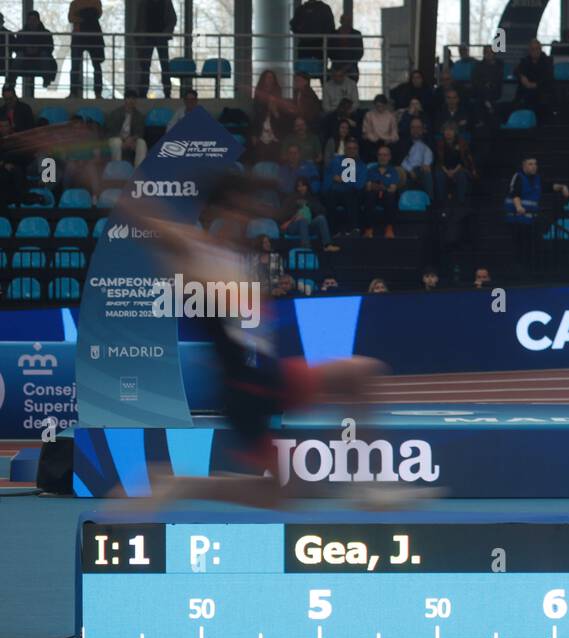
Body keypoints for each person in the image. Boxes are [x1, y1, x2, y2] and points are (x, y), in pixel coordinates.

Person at [124, 172, 387, 508]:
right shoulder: (191, 250)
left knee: (278, 492)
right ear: (216, 211)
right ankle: (366, 487)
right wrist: (88, 169)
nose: (247, 217)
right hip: (248, 384)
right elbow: (143, 217)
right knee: (357, 377)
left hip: (261, 377)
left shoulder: (233, 254)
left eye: (249, 210)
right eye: (239, 209)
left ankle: (185, 485)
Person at [280, 176, 338, 252]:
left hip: (308, 226)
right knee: (303, 220)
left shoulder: (311, 198)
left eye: (303, 186)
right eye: (299, 186)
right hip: (292, 226)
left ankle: (327, 245)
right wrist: (295, 216)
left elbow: (322, 211)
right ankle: (306, 248)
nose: (301, 188)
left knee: (321, 218)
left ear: (307, 186)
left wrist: (309, 204)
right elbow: (283, 215)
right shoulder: (291, 198)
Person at [133, 0, 175, 97]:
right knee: (146, 66)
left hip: (159, 37)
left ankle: (167, 92)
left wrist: (165, 33)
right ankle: (143, 93)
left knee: (163, 66)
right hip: (148, 38)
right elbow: (139, 21)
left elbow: (172, 18)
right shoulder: (144, 3)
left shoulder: (165, 2)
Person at [322, 137, 364, 235]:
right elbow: (328, 179)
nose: (351, 150)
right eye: (349, 148)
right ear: (345, 150)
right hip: (334, 193)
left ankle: (353, 229)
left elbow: (359, 185)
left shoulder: (361, 165)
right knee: (329, 195)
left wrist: (343, 180)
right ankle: (332, 232)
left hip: (352, 194)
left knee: (352, 195)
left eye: (354, 148)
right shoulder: (335, 162)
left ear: (357, 150)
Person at [68, 0, 104, 98]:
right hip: (81, 36)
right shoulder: (76, 3)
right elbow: (71, 18)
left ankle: (98, 93)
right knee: (75, 66)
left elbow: (98, 14)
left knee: (96, 66)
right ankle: (73, 93)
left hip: (93, 37)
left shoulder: (95, 1)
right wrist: (87, 17)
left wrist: (81, 17)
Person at [433, 121, 476, 204]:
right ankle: (440, 202)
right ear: (443, 132)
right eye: (446, 130)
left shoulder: (462, 142)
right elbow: (438, 160)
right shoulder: (439, 143)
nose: (448, 132)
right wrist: (447, 171)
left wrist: (454, 171)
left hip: (459, 168)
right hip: (443, 168)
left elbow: (464, 160)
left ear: (455, 132)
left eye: (451, 130)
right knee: (439, 175)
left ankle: (461, 202)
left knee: (462, 176)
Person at [13, 12, 56, 91]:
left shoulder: (46, 33)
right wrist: (26, 49)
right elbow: (16, 48)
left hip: (40, 58)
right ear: (27, 21)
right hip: (25, 58)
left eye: (34, 19)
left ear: (38, 20)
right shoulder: (21, 33)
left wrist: (38, 50)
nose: (32, 22)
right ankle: (12, 81)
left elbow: (50, 48)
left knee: (45, 57)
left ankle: (46, 79)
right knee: (19, 56)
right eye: (30, 20)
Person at [363, 143, 399, 237]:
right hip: (373, 196)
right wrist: (382, 186)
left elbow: (393, 188)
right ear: (377, 156)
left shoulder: (393, 171)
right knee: (369, 195)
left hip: (386, 197)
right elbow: (368, 186)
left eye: (385, 155)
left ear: (389, 157)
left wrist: (377, 186)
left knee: (390, 196)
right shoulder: (371, 170)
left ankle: (389, 228)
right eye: (380, 155)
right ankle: (368, 229)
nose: (382, 157)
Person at [107, 90, 147, 167]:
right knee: (116, 142)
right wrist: (124, 140)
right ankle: (117, 168)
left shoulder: (139, 115)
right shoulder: (115, 113)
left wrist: (131, 139)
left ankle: (138, 170)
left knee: (142, 143)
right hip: (117, 138)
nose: (131, 101)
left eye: (133, 99)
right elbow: (111, 130)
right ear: (125, 100)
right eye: (129, 98)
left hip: (131, 140)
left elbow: (140, 132)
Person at [515, 39, 554, 116]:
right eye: (532, 49)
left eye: (537, 49)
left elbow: (547, 78)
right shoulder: (526, 60)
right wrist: (521, 76)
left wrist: (535, 85)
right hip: (527, 90)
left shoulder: (547, 61)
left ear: (540, 49)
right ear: (529, 50)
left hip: (541, 90)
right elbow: (516, 70)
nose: (535, 51)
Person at [290, 0, 335, 67]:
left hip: (319, 43)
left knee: (320, 69)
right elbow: (294, 25)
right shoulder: (301, 9)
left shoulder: (324, 8)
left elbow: (330, 27)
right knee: (304, 69)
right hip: (306, 44)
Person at [399, 116, 435, 196]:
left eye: (418, 127)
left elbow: (429, 155)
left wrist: (426, 164)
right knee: (401, 174)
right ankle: (403, 202)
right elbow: (402, 160)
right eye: (413, 127)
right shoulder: (404, 143)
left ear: (423, 129)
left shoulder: (427, 142)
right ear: (410, 129)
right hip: (408, 170)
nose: (415, 130)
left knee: (427, 172)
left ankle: (429, 201)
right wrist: (410, 170)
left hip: (422, 169)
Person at [361, 94, 399, 162]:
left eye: (382, 106)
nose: (380, 108)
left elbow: (394, 133)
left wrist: (390, 139)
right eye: (378, 106)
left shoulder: (391, 116)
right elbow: (367, 131)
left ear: (386, 105)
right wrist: (374, 139)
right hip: (373, 143)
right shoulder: (369, 115)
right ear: (374, 105)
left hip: (387, 142)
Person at [329, 11, 363, 79]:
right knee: (332, 80)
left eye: (349, 20)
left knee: (352, 79)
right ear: (341, 21)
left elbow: (359, 52)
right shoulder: (334, 34)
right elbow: (330, 51)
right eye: (345, 20)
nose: (347, 22)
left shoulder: (356, 34)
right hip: (336, 64)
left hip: (351, 65)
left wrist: (348, 66)